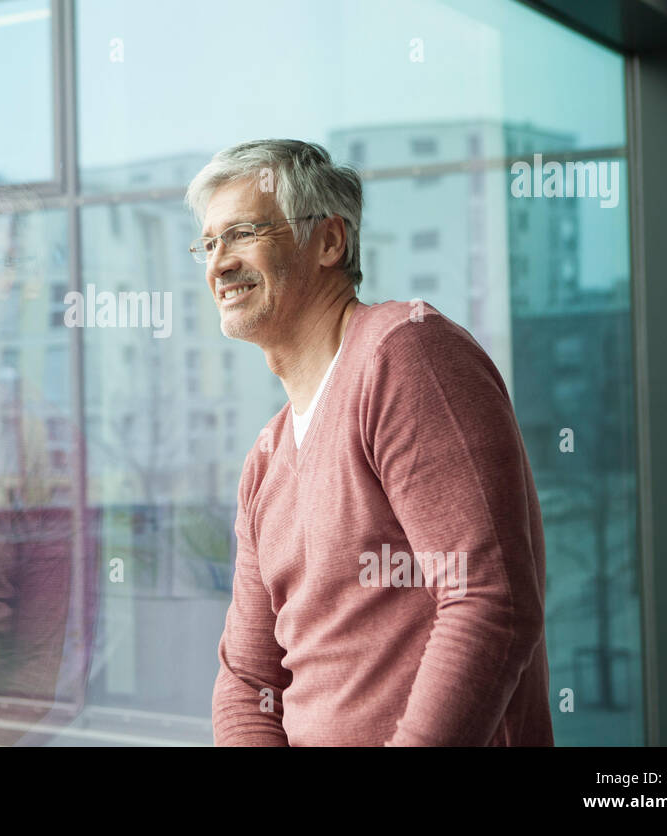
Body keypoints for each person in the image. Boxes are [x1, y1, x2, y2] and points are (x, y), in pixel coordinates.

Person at [186, 139, 554, 746]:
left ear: (330, 241)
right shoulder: (266, 457)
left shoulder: (406, 352)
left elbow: (490, 604)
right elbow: (248, 677)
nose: (218, 263)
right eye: (209, 242)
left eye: (243, 233)